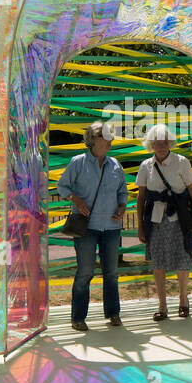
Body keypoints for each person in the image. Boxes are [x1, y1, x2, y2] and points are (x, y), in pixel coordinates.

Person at [57, 121, 128, 332]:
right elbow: (61, 186)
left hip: (112, 227)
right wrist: (75, 199)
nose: (110, 141)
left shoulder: (115, 164)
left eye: (110, 137)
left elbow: (123, 191)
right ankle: (78, 317)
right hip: (86, 228)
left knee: (111, 273)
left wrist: (123, 207)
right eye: (106, 137)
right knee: (85, 272)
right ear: (94, 140)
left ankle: (113, 314)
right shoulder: (77, 162)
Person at [136, 124, 192, 321]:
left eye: (164, 142)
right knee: (158, 264)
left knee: (182, 261)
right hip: (155, 221)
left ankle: (184, 302)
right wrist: (140, 226)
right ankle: (162, 307)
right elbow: (141, 198)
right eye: (157, 143)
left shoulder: (182, 162)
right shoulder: (145, 166)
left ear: (170, 143)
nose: (161, 146)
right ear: (151, 145)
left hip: (180, 219)